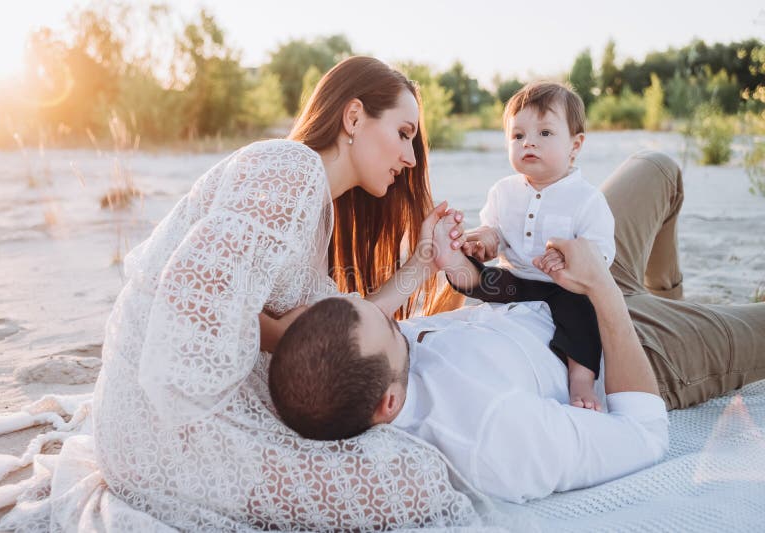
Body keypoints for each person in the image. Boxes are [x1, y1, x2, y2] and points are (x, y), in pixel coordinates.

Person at [86, 56, 479, 531]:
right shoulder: (288, 168)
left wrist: (423, 261)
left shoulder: (314, 208)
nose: (411, 158)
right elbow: (192, 300)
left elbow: (342, 326)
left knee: (414, 465)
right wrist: (280, 335)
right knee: (410, 480)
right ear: (353, 117)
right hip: (165, 421)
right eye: (403, 133)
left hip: (203, 405)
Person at [269, 150, 765, 503]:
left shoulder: (365, 363)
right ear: (389, 405)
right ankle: (673, 313)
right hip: (629, 341)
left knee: (657, 168)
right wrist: (604, 291)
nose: (395, 322)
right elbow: (645, 433)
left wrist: (440, 258)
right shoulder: (492, 437)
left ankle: (670, 291)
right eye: (393, 330)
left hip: (548, 272)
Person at [463, 81, 615, 410]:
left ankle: (581, 380)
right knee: (479, 282)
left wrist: (570, 261)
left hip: (563, 286)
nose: (529, 142)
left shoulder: (586, 199)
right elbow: (496, 230)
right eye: (518, 136)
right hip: (515, 279)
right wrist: (487, 240)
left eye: (545, 133)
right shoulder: (503, 191)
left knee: (583, 316)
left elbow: (602, 250)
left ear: (575, 146)